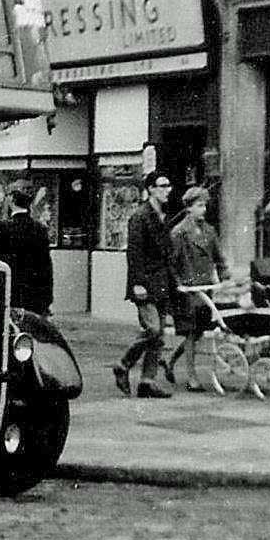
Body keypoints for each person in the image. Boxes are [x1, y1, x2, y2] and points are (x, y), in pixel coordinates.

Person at [112, 170, 177, 398]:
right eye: (163, 185)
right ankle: (123, 364)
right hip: (145, 284)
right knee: (153, 329)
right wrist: (138, 283)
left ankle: (147, 381)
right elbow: (135, 253)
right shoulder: (140, 216)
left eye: (169, 185)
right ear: (150, 189)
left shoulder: (163, 217)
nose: (168, 190)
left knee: (158, 338)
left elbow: (167, 253)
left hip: (162, 283)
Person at [163, 186, 228, 391]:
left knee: (198, 332)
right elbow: (171, 263)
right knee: (191, 333)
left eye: (205, 205)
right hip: (187, 289)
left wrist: (225, 277)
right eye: (200, 206)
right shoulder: (179, 232)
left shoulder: (209, 230)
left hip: (205, 288)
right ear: (189, 208)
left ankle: (171, 360)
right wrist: (178, 284)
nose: (204, 210)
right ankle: (192, 377)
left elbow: (219, 258)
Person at [0, 184, 54, 316]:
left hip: (11, 292)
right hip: (35, 294)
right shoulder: (40, 229)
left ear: (12, 202)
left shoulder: (2, 228)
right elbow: (46, 266)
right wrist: (47, 299)